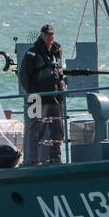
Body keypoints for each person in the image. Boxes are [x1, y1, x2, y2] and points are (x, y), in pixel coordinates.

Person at [19, 24, 66, 165]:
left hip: (55, 97)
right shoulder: (31, 53)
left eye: (52, 34)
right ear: (41, 35)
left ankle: (55, 157)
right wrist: (33, 92)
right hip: (37, 97)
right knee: (35, 130)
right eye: (47, 34)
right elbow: (24, 76)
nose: (50, 37)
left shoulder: (57, 52)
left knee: (58, 129)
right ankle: (34, 160)